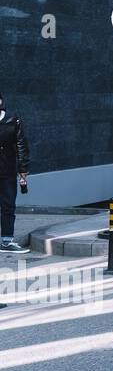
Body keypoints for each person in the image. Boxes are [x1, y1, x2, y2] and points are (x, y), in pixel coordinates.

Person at [0, 93, 31, 255]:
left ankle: (6, 241)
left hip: (6, 171)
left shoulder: (12, 120)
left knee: (8, 205)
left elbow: (21, 146)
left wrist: (22, 170)